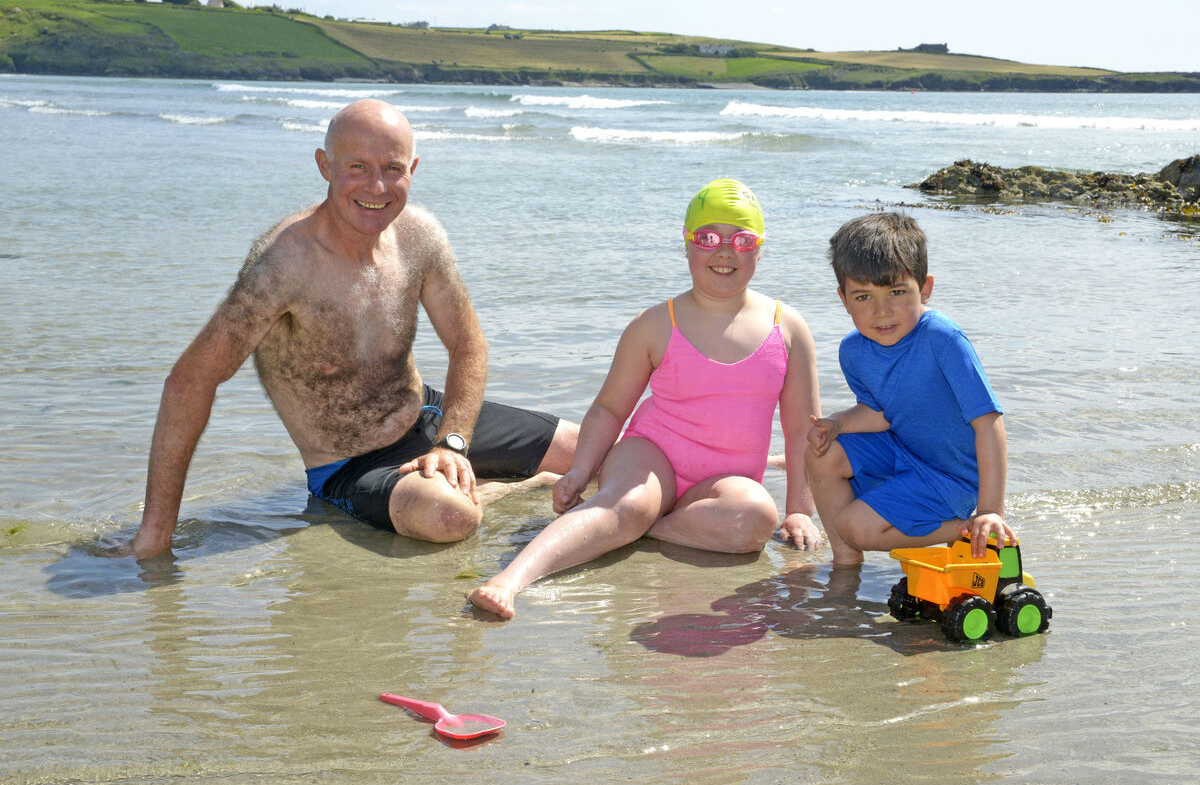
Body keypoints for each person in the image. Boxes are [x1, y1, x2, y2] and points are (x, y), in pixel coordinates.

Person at [128, 99, 576, 558]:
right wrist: (155, 535)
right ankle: (520, 486)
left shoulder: (419, 235)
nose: (376, 186)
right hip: (349, 465)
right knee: (451, 517)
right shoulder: (286, 261)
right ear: (326, 165)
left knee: (602, 449)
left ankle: (469, 474)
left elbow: (468, 345)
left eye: (392, 168)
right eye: (358, 166)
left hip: (428, 418)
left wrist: (454, 441)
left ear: (413, 169)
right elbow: (190, 379)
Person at [468, 178, 822, 620]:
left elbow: (802, 429)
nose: (724, 251)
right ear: (687, 244)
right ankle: (511, 579)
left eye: (742, 239)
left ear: (760, 248)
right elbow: (610, 408)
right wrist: (580, 470)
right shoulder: (656, 324)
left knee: (753, 519)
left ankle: (645, 528)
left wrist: (799, 511)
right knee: (628, 503)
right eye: (708, 238)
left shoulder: (787, 328)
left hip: (726, 481)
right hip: (651, 455)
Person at [804, 212, 1012, 567]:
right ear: (843, 299)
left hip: (949, 477)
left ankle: (967, 529)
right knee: (821, 453)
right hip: (902, 452)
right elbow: (880, 414)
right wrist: (836, 424)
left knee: (858, 526)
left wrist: (990, 509)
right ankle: (845, 560)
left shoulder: (942, 339)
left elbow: (988, 423)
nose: (882, 311)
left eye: (897, 292)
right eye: (863, 296)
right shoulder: (853, 350)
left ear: (925, 288)